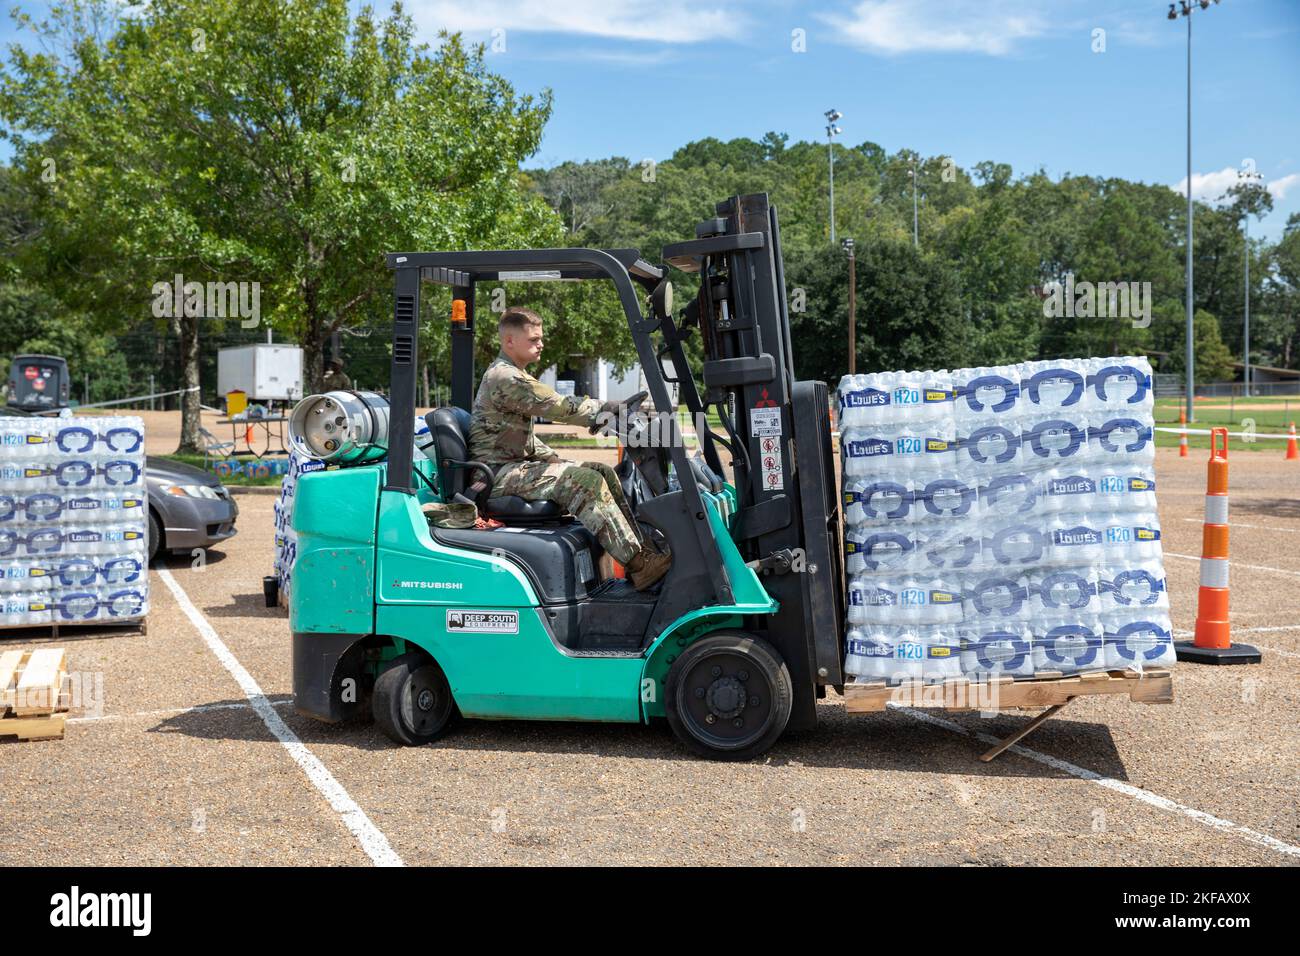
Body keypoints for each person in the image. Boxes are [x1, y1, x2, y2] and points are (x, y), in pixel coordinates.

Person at [469, 307, 671, 590]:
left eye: (541, 338)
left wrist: (553, 457)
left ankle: (644, 552)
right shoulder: (505, 378)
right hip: (496, 477)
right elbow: (558, 406)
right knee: (584, 481)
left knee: (599, 470)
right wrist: (604, 408)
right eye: (533, 339)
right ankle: (639, 564)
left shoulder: (511, 375)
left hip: (511, 468)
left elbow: (515, 437)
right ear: (510, 341)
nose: (541, 344)